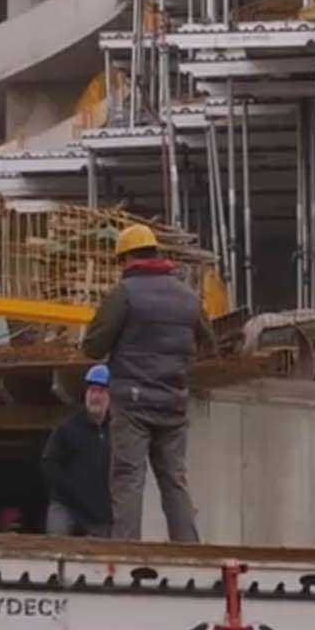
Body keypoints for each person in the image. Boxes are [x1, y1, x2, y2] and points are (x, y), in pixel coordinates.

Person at [82, 223, 215, 542]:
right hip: (174, 402)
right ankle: (188, 549)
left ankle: (126, 553)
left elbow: (94, 346)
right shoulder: (188, 296)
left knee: (129, 479)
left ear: (126, 258)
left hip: (133, 403)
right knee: (174, 480)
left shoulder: (124, 294)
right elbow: (210, 343)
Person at [41, 364, 114, 537]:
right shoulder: (67, 428)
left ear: (111, 396)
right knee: (57, 549)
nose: (95, 396)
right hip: (67, 506)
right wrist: (72, 491)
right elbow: (49, 464)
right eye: (91, 391)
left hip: (100, 513)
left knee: (106, 558)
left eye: (101, 391)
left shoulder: (118, 431)